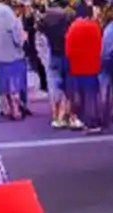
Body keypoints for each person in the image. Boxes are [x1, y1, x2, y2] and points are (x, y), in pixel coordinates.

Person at [0, 0, 27, 120]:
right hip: (11, 52)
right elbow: (15, 31)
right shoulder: (7, 11)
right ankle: (16, 110)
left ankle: (5, 108)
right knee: (14, 82)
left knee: (2, 83)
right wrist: (21, 43)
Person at [40, 0, 76, 129]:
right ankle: (66, 115)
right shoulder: (69, 16)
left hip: (53, 54)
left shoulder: (45, 17)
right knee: (68, 86)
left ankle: (56, 116)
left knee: (54, 86)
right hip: (67, 53)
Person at [65, 10, 102, 133]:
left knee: (78, 96)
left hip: (77, 67)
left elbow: (68, 50)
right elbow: (100, 46)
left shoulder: (73, 28)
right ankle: (93, 122)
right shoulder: (94, 27)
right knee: (91, 96)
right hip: (92, 66)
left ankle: (81, 119)